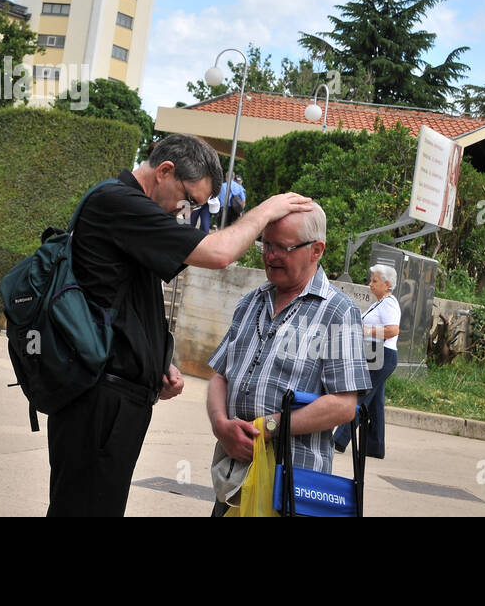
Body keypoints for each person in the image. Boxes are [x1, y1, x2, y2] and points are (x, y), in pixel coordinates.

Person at [47, 133, 314, 516]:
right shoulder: (119, 203)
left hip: (114, 399)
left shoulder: (131, 212)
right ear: (165, 171)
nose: (184, 213)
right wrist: (265, 211)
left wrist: (156, 362)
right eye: (188, 201)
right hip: (99, 399)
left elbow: (124, 305)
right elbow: (219, 254)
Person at [206, 203, 370, 515]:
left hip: (292, 491)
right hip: (234, 482)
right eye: (266, 244)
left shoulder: (338, 312)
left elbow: (343, 404)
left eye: (282, 247)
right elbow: (220, 376)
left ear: (316, 250)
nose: (270, 255)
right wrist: (221, 426)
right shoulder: (251, 302)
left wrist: (269, 427)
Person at [334, 263, 401, 459]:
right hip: (375, 353)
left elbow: (392, 331)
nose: (370, 284)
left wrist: (365, 331)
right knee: (375, 403)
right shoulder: (379, 303)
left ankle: (339, 439)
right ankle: (375, 445)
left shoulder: (389, 304)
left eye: (375, 281)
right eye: (371, 280)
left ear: (387, 284)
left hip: (382, 354)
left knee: (359, 395)